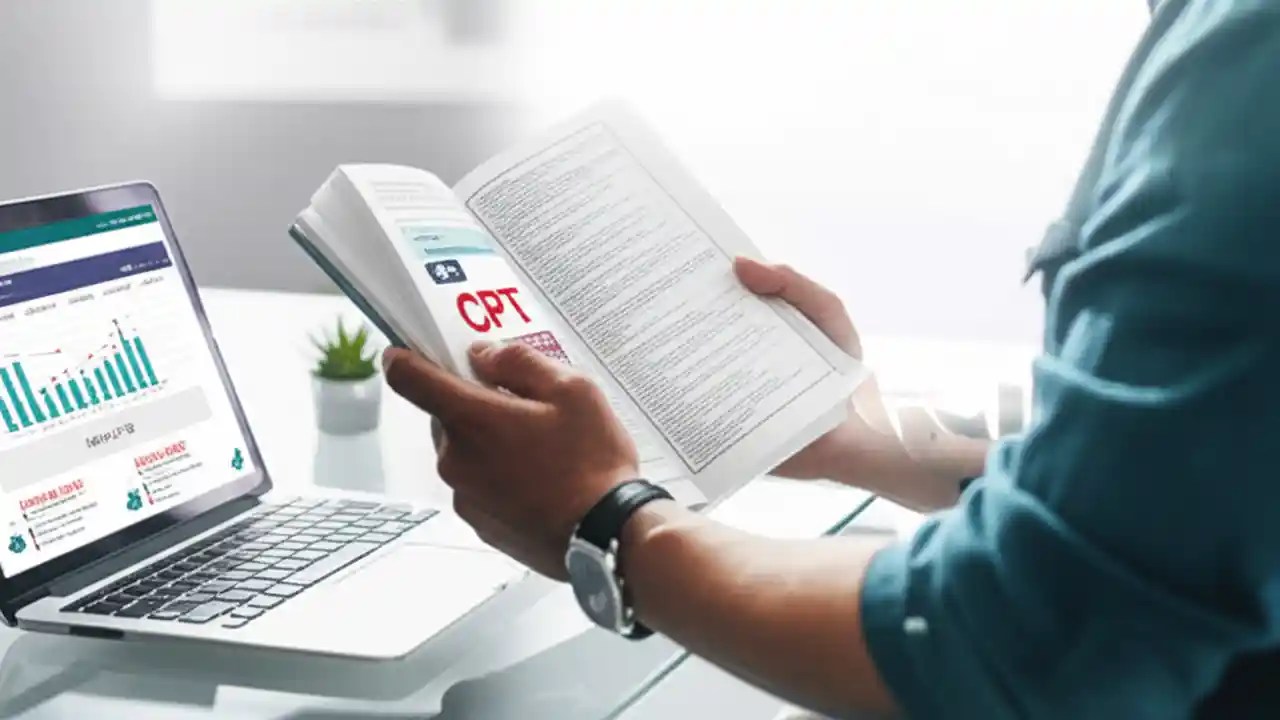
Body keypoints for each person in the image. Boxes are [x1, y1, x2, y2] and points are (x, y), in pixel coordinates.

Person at [381, 1, 1280, 716]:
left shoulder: (1247, 65)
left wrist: (608, 522)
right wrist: (862, 439)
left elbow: (1023, 643)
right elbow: (1203, 461)